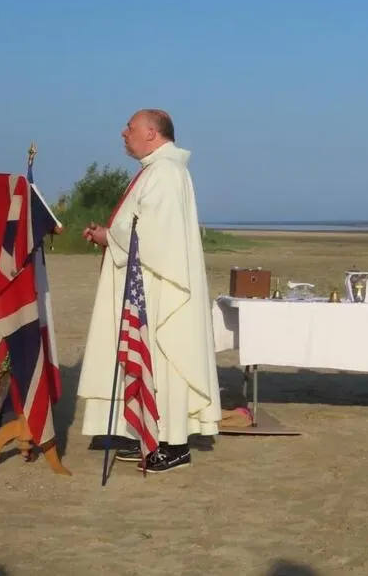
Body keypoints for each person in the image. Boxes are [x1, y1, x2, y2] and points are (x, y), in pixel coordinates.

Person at [77, 109, 222, 472]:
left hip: (159, 292)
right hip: (145, 283)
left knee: (163, 358)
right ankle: (139, 432)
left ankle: (173, 445)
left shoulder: (166, 173)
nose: (123, 132)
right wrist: (110, 237)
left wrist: (108, 237)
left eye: (130, 127)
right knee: (141, 359)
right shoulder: (155, 172)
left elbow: (155, 236)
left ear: (152, 134)